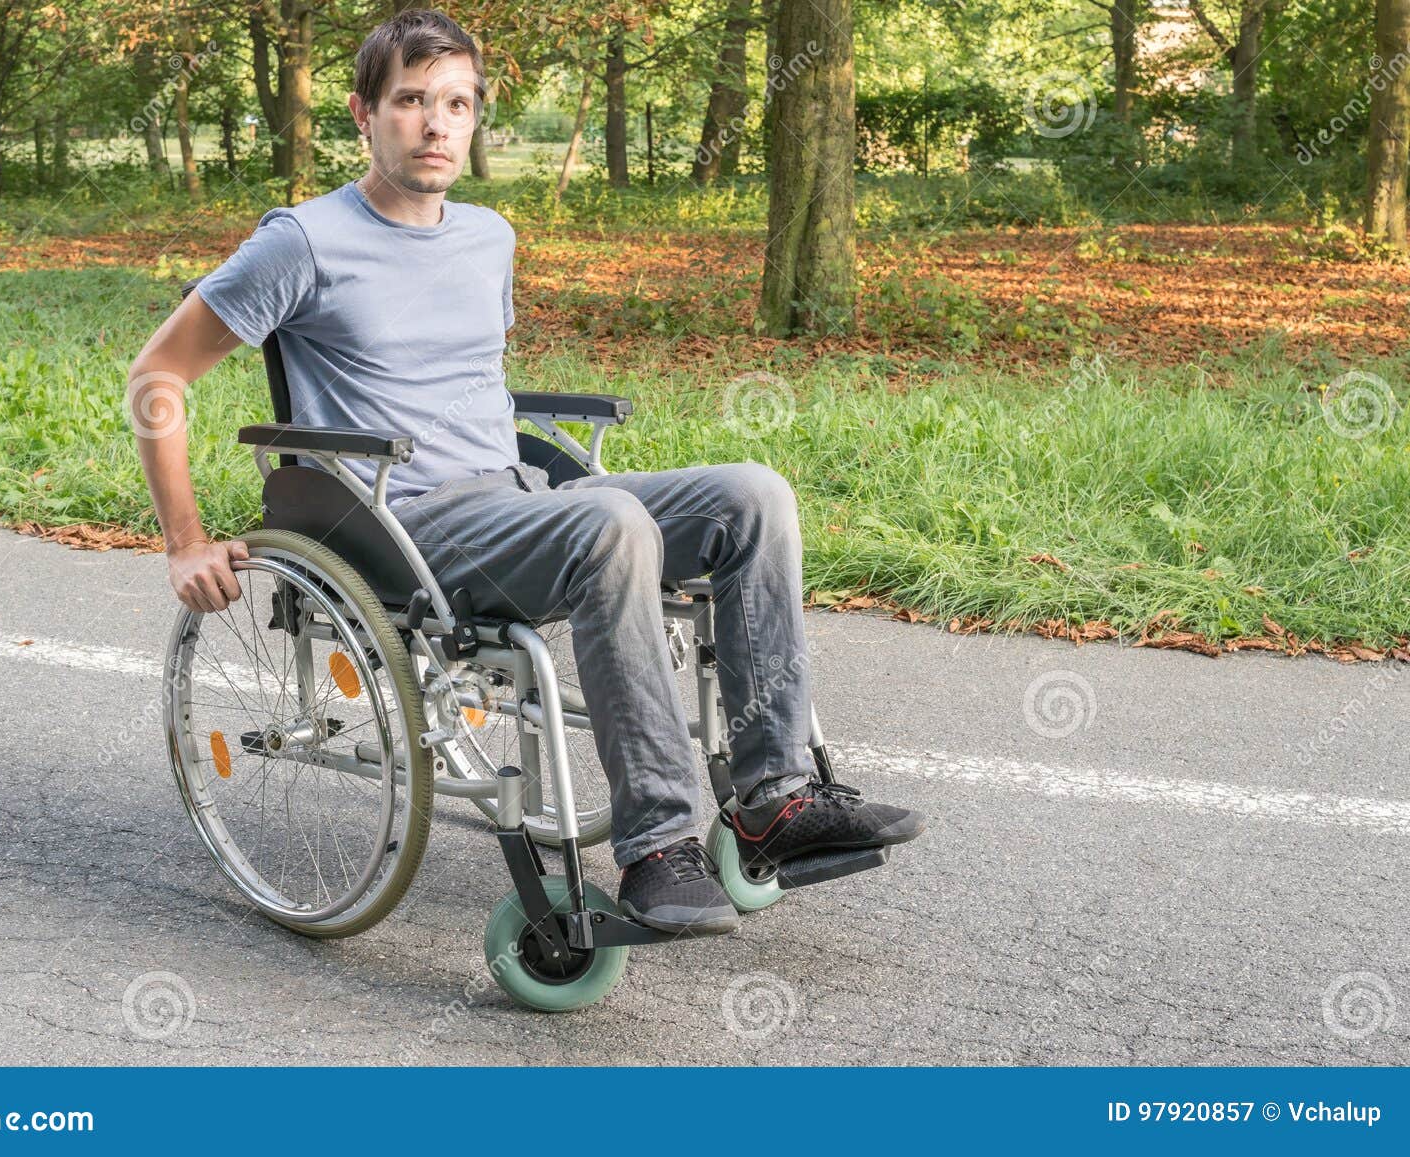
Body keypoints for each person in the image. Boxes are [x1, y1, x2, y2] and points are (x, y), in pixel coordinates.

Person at [129, 8, 927, 939]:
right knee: (610, 528)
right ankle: (658, 846)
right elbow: (158, 375)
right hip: (402, 524)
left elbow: (473, 385)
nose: (435, 125)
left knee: (754, 495)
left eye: (457, 104)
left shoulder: (488, 236)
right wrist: (184, 540)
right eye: (411, 101)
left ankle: (774, 799)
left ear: (475, 117)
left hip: (516, 497)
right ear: (363, 112)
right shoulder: (302, 241)